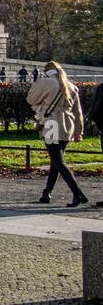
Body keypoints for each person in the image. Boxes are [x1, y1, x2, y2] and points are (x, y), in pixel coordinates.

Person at [26, 62, 89, 207]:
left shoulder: (46, 82)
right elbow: (78, 112)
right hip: (68, 125)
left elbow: (30, 99)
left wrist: (36, 84)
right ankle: (46, 193)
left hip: (52, 124)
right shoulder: (71, 86)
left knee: (58, 162)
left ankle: (77, 193)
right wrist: (79, 132)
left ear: (47, 71)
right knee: (56, 162)